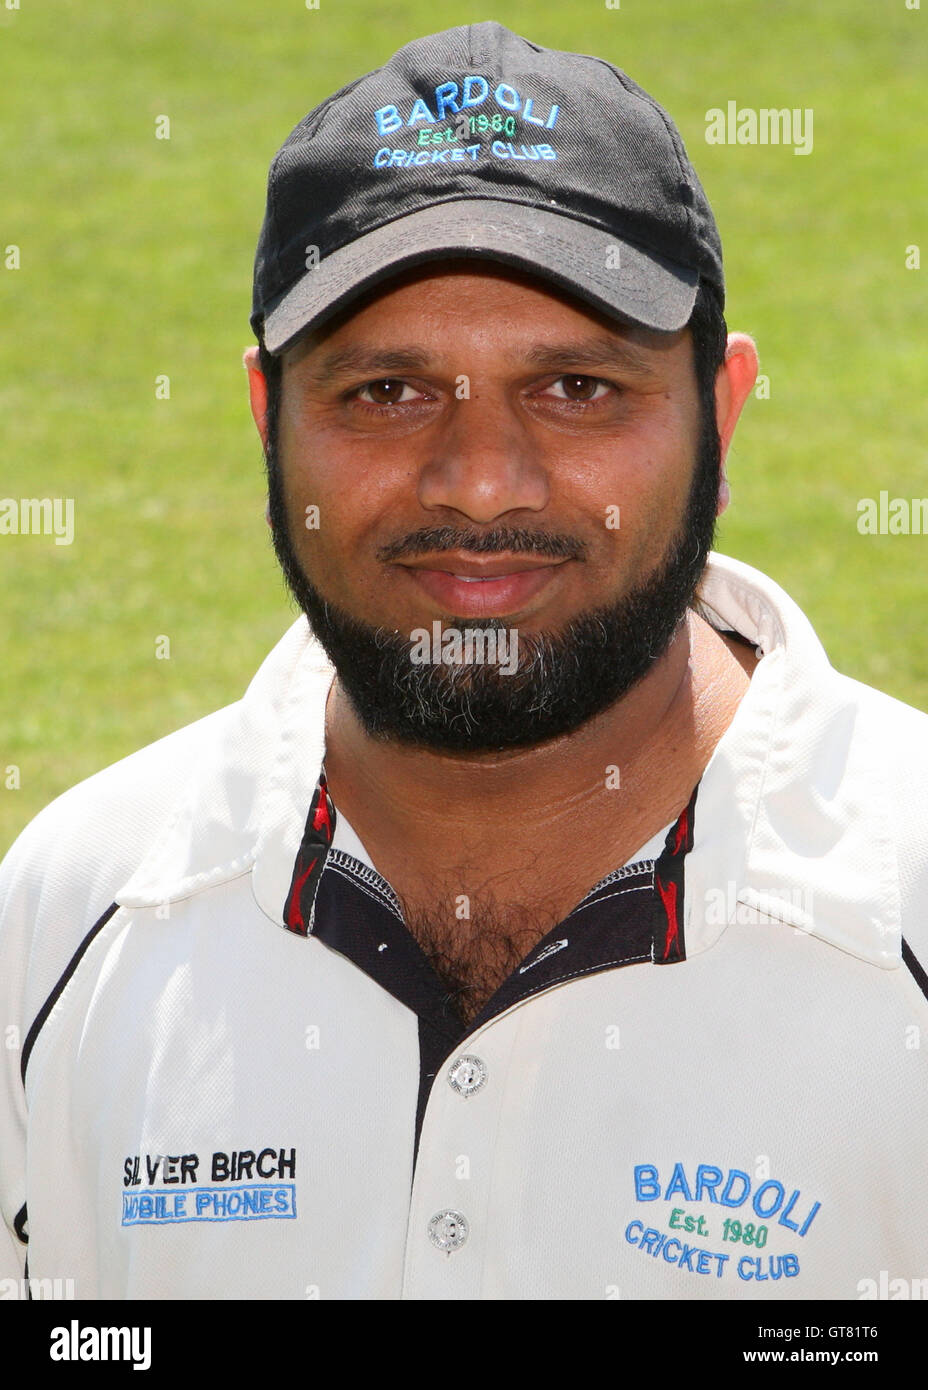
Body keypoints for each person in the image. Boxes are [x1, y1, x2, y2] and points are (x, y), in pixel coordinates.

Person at [1, 21, 926, 1302]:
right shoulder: (67, 912)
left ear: (719, 411)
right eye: (388, 393)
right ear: (270, 417)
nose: (480, 481)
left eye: (577, 389)